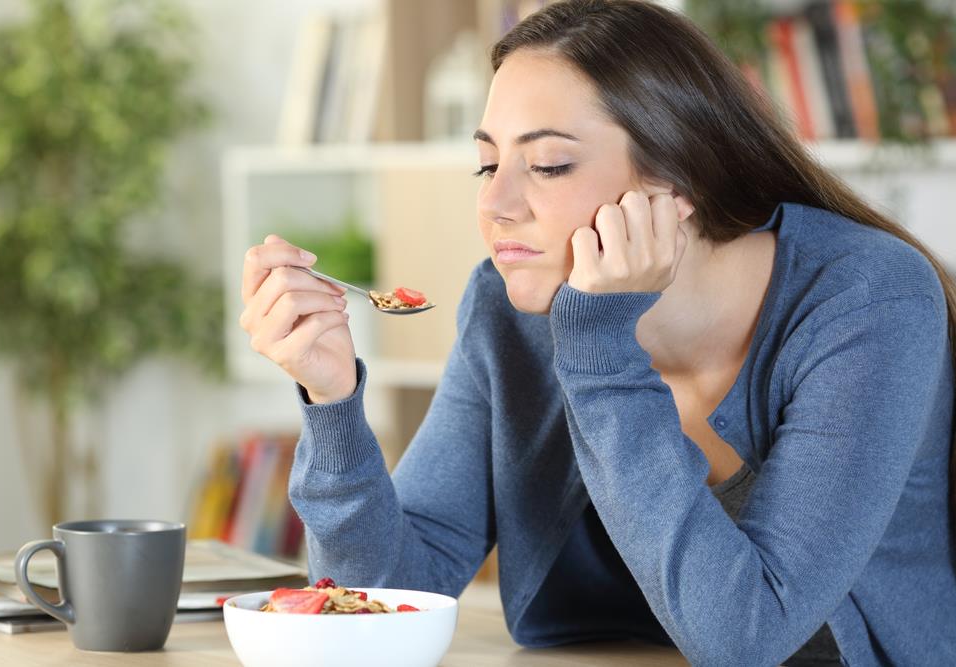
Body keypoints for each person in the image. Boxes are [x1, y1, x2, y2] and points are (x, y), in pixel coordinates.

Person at [238, 1, 956, 664]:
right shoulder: (507, 306)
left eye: (547, 164)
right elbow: (387, 594)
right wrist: (332, 405)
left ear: (679, 180)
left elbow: (745, 635)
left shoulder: (868, 299)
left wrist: (600, 348)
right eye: (487, 162)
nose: (494, 202)